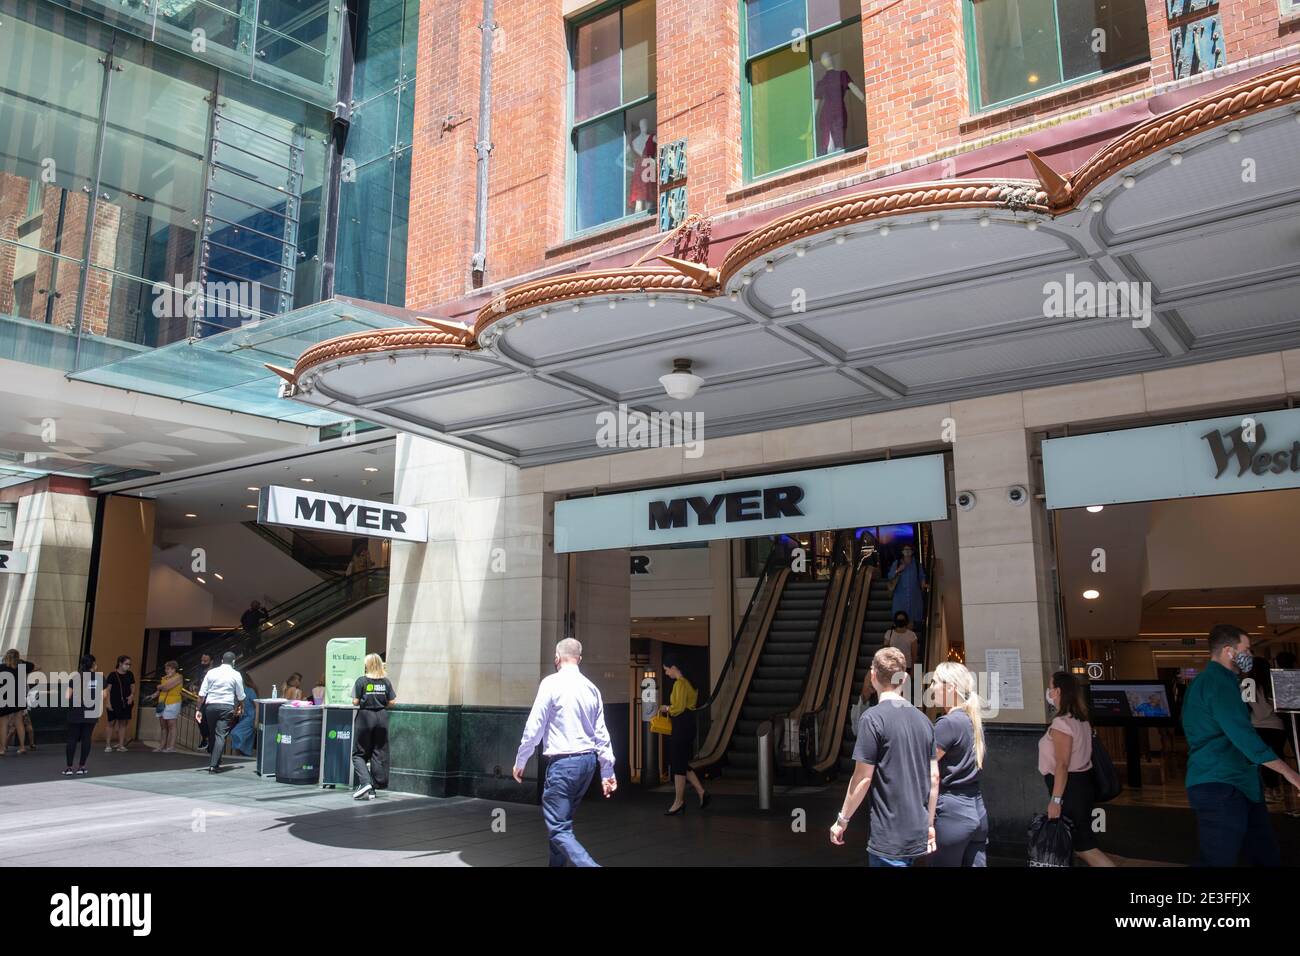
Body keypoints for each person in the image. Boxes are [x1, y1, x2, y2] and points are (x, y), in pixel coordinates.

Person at [1182, 625, 1300, 866]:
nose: (1250, 655)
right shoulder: (1218, 684)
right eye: (1246, 649)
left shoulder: (1211, 682)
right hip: (1221, 783)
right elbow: (1243, 736)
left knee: (1262, 852)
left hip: (1237, 782)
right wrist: (1291, 774)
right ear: (1229, 650)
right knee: (1219, 859)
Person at [512, 638, 617, 867]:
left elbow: (535, 726)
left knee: (558, 827)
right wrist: (607, 772)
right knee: (562, 823)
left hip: (563, 765)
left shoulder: (551, 683)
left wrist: (522, 759)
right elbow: (602, 733)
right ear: (579, 659)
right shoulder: (592, 689)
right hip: (587, 764)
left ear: (556, 658)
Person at [830, 646, 939, 867]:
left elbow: (862, 778)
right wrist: (929, 825)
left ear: (872, 676)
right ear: (905, 678)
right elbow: (934, 777)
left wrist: (842, 819)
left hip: (889, 835)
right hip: (918, 833)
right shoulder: (924, 721)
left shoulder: (872, 719)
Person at [1041, 670, 1114, 866]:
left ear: (1057, 691)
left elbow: (1062, 764)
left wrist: (1055, 800)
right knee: (1074, 844)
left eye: (1050, 687)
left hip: (1069, 790)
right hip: (1082, 785)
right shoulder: (1081, 720)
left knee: (1085, 848)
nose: (1048, 691)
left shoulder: (1061, 723)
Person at [929, 661, 989, 867]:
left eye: (935, 682)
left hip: (952, 813)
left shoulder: (947, 724)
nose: (931, 688)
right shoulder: (972, 720)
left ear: (950, 687)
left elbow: (926, 768)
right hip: (977, 809)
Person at [659, 658, 710, 815]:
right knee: (681, 762)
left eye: (667, 669)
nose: (666, 673)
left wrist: (666, 708)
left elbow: (678, 708)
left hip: (681, 725)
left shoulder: (680, 683)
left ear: (674, 667)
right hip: (688, 724)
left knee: (678, 764)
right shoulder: (690, 683)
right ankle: (701, 792)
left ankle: (679, 801)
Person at [351, 654, 396, 800]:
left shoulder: (361, 681)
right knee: (379, 752)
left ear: (368, 665)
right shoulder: (386, 682)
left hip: (365, 718)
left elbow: (355, 702)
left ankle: (365, 783)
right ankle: (373, 788)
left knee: (359, 754)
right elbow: (392, 702)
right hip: (382, 718)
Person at [197, 651, 245, 774]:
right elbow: (240, 695)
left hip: (210, 707)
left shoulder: (211, 672)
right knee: (221, 735)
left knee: (213, 733)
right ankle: (214, 764)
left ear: (222, 661)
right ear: (233, 662)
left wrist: (198, 709)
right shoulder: (236, 674)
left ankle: (215, 760)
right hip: (226, 707)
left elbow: (202, 694)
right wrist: (241, 706)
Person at [1247, 656, 1287, 802]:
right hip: (1276, 726)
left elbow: (1245, 707)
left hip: (1257, 726)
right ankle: (1276, 788)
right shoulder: (1274, 683)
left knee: (1262, 759)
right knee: (1276, 756)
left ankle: (1268, 790)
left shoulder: (1248, 685)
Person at [63, 655, 101, 776]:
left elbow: (67, 696)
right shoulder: (98, 678)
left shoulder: (75, 677)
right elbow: (103, 695)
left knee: (72, 739)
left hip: (75, 712)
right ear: (93, 664)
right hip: (91, 712)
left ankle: (69, 767)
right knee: (86, 738)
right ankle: (82, 766)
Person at [886, 542, 926, 636]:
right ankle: (899, 641)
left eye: (909, 550)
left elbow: (921, 576)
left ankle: (909, 641)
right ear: (902, 552)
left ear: (912, 552)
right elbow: (890, 576)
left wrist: (923, 583)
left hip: (914, 597)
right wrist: (898, 570)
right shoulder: (897, 563)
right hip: (900, 597)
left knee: (911, 620)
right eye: (905, 550)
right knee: (899, 619)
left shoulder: (916, 564)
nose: (907, 552)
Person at [104, 655, 135, 752]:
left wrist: (132, 695)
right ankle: (108, 745)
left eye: (129, 664)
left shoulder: (130, 674)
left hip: (126, 702)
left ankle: (121, 745)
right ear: (120, 663)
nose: (128, 666)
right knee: (111, 723)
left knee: (123, 724)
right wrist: (108, 702)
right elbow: (108, 690)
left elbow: (133, 686)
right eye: (126, 664)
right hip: (114, 701)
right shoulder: (112, 675)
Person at [154, 661, 184, 753]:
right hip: (162, 702)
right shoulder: (164, 678)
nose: (166, 670)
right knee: (163, 725)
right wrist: (160, 687)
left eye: (168, 668)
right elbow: (161, 688)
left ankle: (171, 746)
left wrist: (160, 686)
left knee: (172, 725)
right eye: (166, 668)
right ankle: (161, 746)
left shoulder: (179, 677)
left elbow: (166, 687)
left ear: (174, 669)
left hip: (173, 702)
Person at [229, 672, 259, 756]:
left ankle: (239, 752)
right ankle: (243, 755)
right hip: (245, 716)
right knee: (248, 740)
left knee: (235, 732)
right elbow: (239, 703)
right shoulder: (241, 691)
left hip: (250, 717)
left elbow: (257, 705)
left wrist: (256, 720)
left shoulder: (249, 690)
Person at [193, 653, 213, 751]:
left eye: (205, 661)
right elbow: (198, 684)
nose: (203, 663)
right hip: (202, 698)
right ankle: (206, 738)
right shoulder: (200, 671)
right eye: (202, 660)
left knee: (204, 718)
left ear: (211, 661)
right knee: (199, 718)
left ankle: (207, 739)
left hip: (211, 698)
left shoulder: (213, 672)